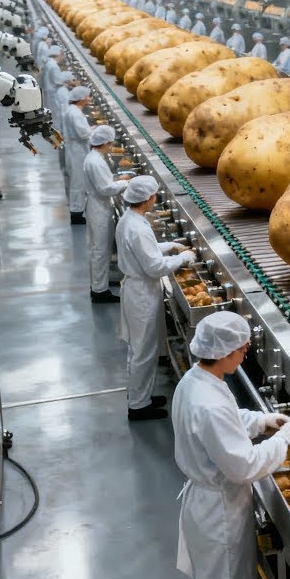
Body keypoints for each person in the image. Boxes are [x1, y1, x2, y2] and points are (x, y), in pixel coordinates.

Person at [172, 312, 290, 579]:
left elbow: (222, 423)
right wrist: (283, 439)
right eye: (242, 350)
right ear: (224, 352)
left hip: (206, 501)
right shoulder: (209, 404)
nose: (245, 355)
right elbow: (244, 466)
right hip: (219, 513)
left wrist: (261, 421)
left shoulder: (196, 379)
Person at [116, 176, 197, 421]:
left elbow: (146, 249)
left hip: (138, 289)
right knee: (143, 350)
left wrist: (171, 244)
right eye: (154, 195)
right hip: (142, 293)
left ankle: (141, 396)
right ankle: (139, 406)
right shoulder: (138, 227)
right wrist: (184, 259)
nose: (156, 198)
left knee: (141, 348)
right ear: (147, 199)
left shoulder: (130, 219)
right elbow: (154, 267)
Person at [82, 125, 129, 304]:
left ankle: (100, 282)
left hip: (99, 206)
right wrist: (125, 184)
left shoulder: (94, 158)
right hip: (98, 208)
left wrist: (118, 180)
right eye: (110, 143)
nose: (111, 146)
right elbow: (105, 189)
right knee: (100, 250)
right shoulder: (95, 161)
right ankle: (99, 291)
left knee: (101, 249)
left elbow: (105, 183)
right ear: (105, 143)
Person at [63, 86, 94, 225]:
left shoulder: (73, 111)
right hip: (77, 151)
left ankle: (77, 209)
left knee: (78, 181)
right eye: (87, 96)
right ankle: (76, 213)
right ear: (81, 99)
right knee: (78, 182)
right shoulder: (75, 113)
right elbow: (83, 133)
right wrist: (94, 131)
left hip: (75, 149)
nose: (89, 99)